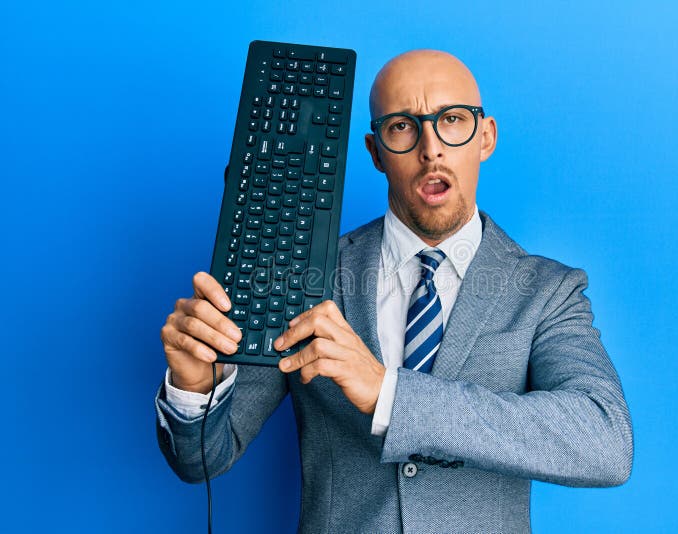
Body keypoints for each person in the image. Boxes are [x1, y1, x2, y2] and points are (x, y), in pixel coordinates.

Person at [155, 49, 633, 533]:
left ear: (485, 137)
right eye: (403, 126)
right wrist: (195, 389)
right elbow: (203, 461)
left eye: (451, 120)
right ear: (376, 151)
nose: (432, 149)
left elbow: (605, 440)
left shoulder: (547, 291)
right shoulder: (307, 277)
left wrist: (389, 394)